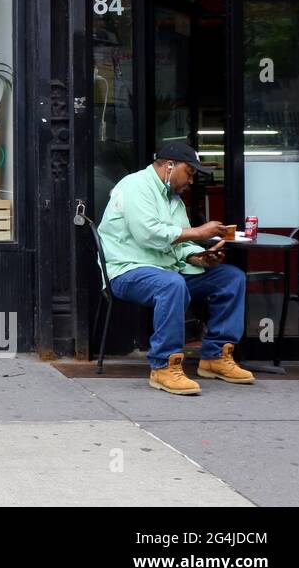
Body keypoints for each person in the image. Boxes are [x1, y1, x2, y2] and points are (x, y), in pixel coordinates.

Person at [97, 141, 255, 395]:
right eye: (189, 173)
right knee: (171, 284)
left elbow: (181, 245)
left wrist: (199, 257)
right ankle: (163, 366)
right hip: (127, 270)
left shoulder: (174, 199)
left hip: (167, 270)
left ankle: (215, 356)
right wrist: (199, 231)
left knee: (231, 277)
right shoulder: (135, 185)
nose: (190, 181)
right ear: (169, 166)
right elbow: (148, 235)